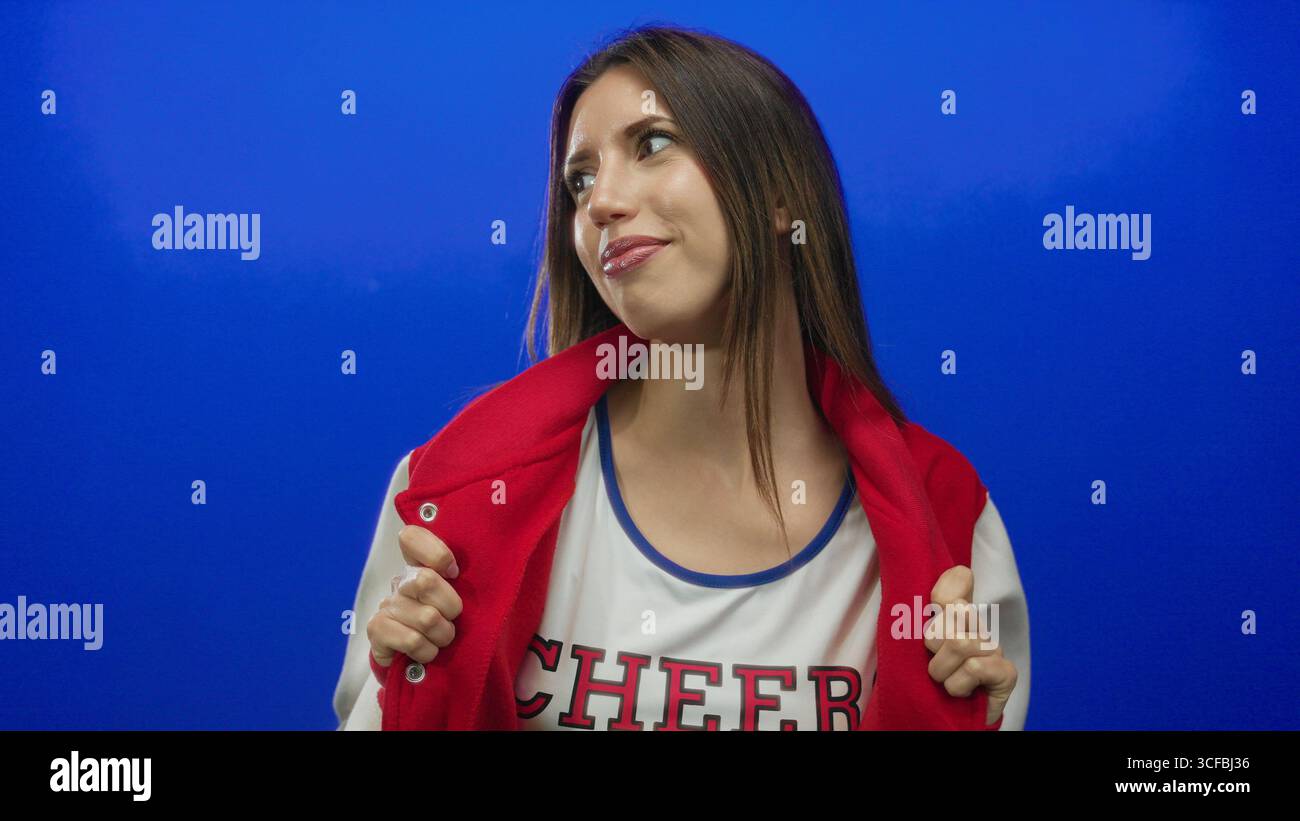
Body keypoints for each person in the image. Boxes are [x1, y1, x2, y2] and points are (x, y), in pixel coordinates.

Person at [333, 24, 1030, 731]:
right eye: (580, 180)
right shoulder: (445, 498)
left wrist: (974, 720)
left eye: (653, 144)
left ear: (780, 195)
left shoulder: (950, 521)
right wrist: (405, 697)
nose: (600, 203)